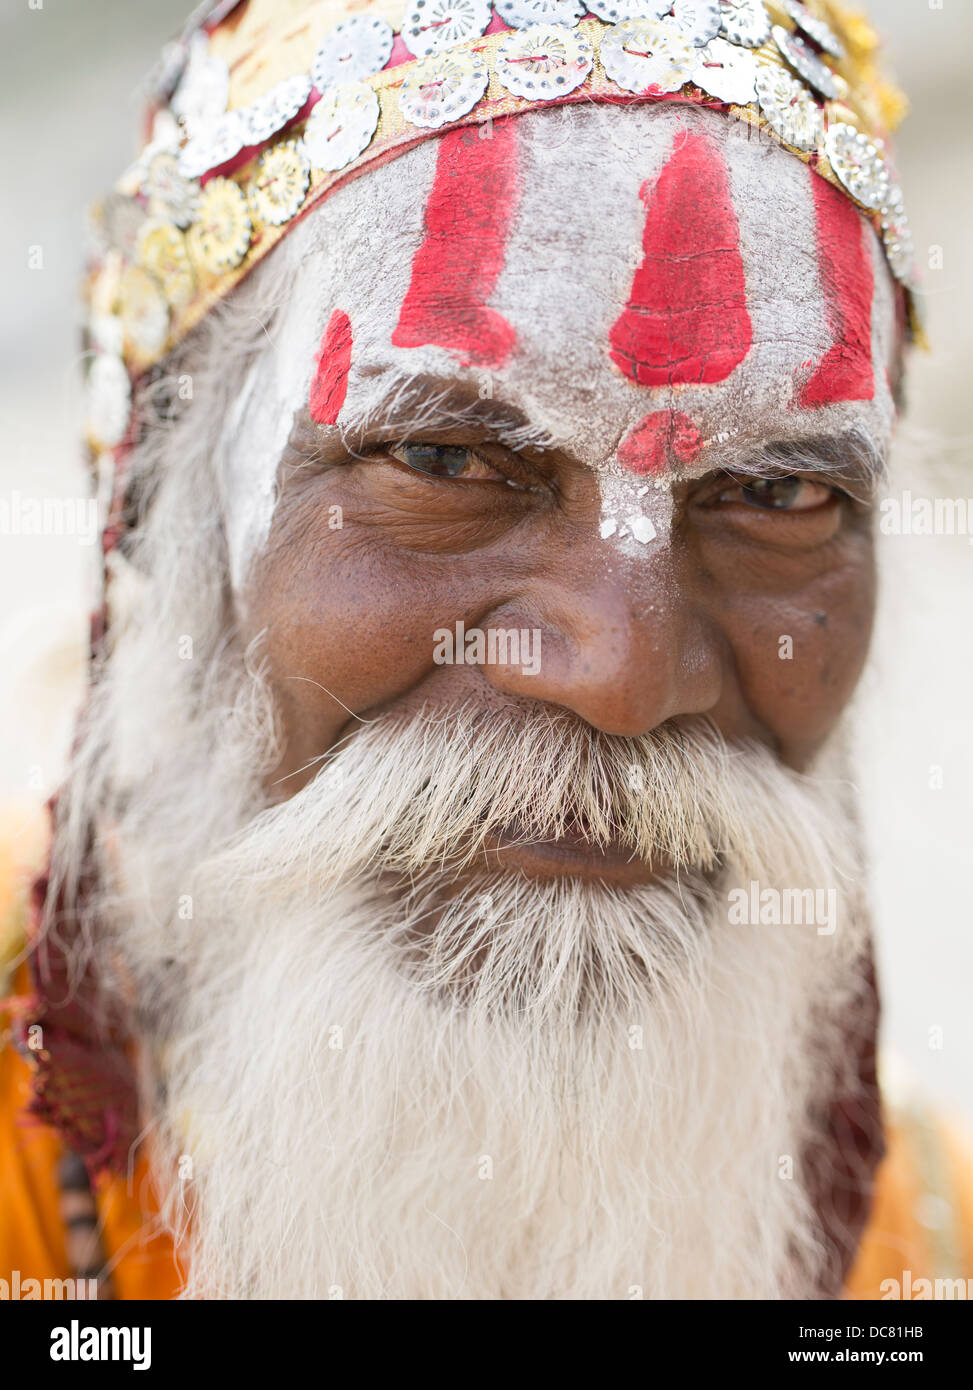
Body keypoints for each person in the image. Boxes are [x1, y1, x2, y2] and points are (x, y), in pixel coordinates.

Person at [2, 0, 971, 1301]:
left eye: (775, 495)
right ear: (164, 515)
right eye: (444, 458)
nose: (621, 676)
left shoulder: (922, 1245)